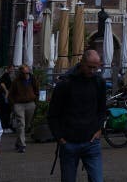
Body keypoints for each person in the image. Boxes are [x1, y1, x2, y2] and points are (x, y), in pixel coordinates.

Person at [48, 49, 107, 182]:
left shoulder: (99, 82)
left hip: (91, 142)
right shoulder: (65, 83)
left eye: (95, 68)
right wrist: (60, 138)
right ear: (82, 62)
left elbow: (102, 109)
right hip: (69, 143)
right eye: (90, 67)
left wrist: (98, 129)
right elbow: (53, 114)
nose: (92, 71)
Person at [8, 64, 39, 153]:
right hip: (19, 104)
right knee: (21, 123)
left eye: (27, 72)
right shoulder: (16, 81)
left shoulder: (33, 79)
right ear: (21, 73)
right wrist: (13, 104)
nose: (26, 74)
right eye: (24, 73)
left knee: (26, 125)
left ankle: (18, 142)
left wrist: (35, 100)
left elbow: (37, 90)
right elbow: (11, 94)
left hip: (30, 103)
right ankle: (22, 145)